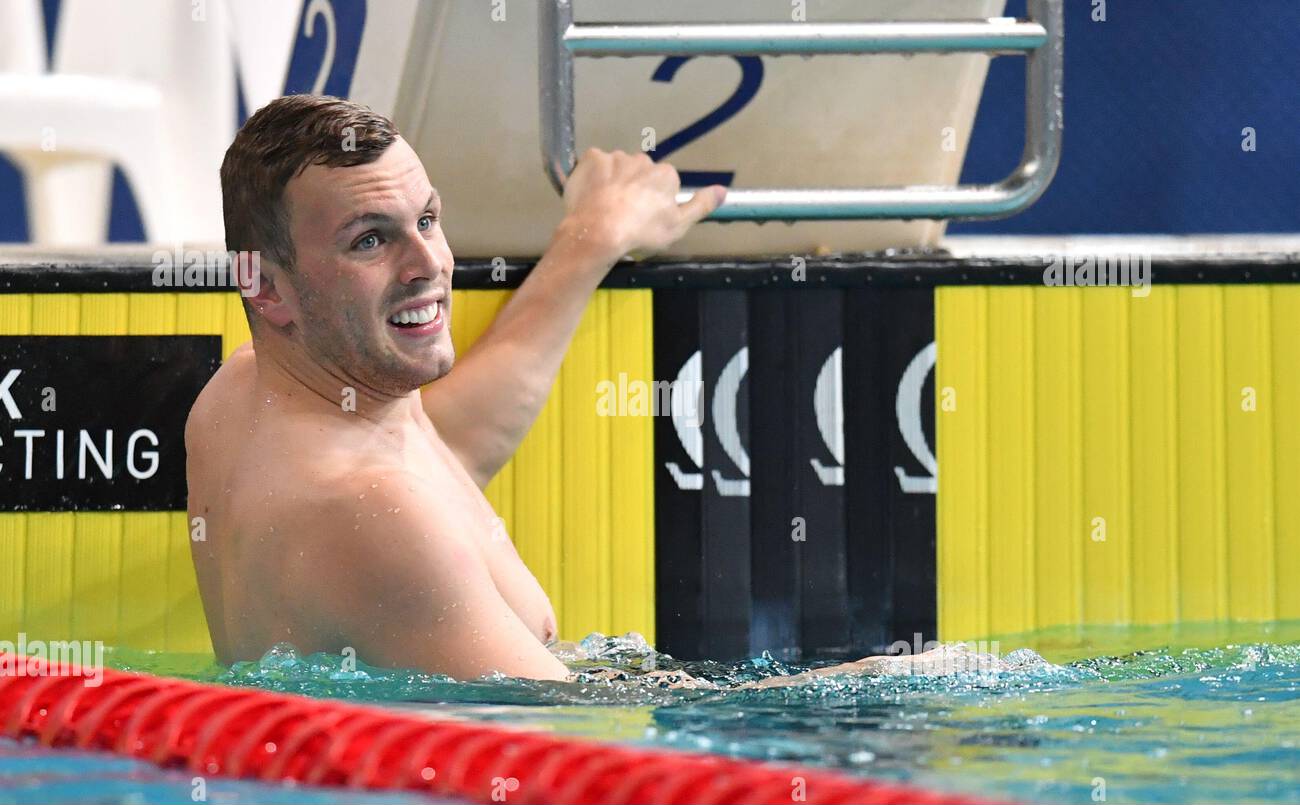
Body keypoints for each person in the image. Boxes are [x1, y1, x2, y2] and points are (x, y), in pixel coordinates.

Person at [187, 94, 951, 689]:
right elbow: (592, 733)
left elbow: (443, 450)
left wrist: (591, 237)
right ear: (268, 287)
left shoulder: (249, 394)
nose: (429, 263)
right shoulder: (369, 516)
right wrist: (869, 686)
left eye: (427, 219)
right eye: (370, 239)